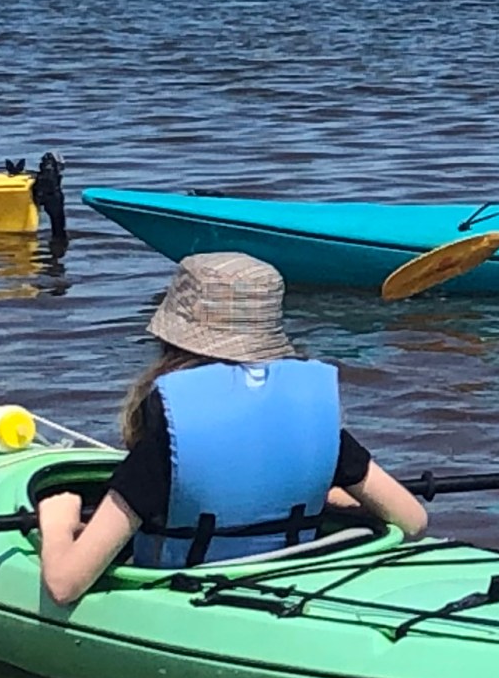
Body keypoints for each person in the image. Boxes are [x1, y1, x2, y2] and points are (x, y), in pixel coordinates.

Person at [38, 252, 428, 607]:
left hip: (187, 589)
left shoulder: (169, 437)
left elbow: (65, 586)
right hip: (291, 578)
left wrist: (59, 521)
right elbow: (412, 521)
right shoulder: (309, 416)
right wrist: (318, 499)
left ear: (172, 340)